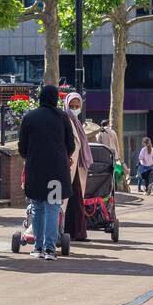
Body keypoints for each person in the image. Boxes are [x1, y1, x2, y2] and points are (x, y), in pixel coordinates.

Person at [17, 84, 76, 261]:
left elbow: (22, 147)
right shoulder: (63, 117)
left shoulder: (30, 117)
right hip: (57, 171)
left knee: (37, 207)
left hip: (36, 170)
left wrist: (30, 156)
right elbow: (71, 145)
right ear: (55, 99)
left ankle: (38, 247)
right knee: (53, 207)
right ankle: (50, 249)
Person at [63, 92, 93, 242]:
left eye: (77, 106)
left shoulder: (76, 121)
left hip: (75, 168)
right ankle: (72, 232)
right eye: (71, 106)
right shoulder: (66, 120)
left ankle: (75, 232)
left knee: (75, 201)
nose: (74, 109)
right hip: (69, 166)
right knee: (71, 201)